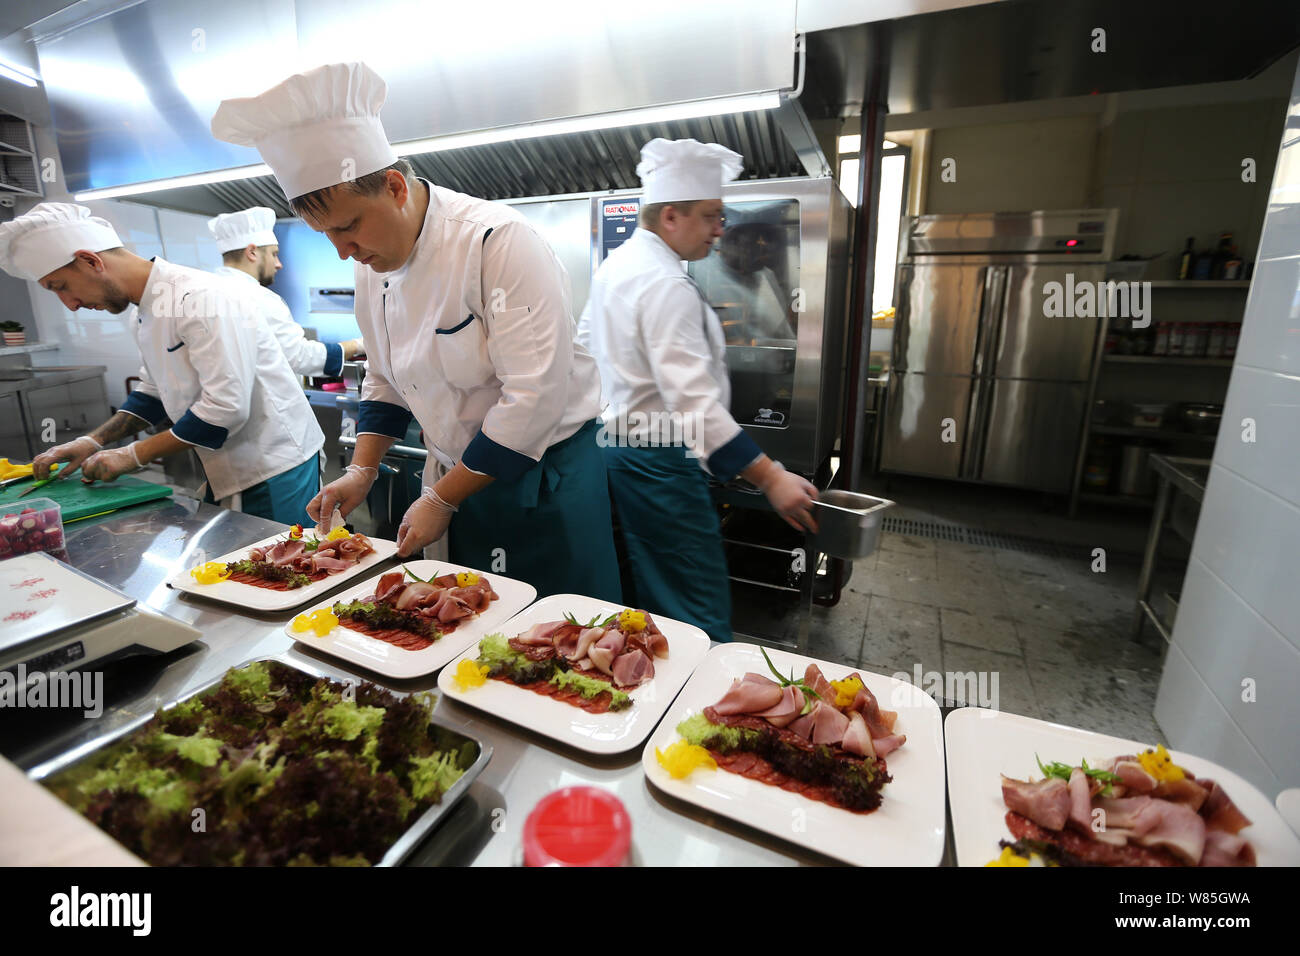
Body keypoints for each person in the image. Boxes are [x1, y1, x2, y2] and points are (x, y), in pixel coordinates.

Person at [211, 62, 620, 600]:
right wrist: (362, 470)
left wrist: (441, 499)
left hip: (545, 479)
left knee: (562, 635)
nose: (342, 250)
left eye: (347, 226)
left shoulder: (496, 243)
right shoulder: (371, 262)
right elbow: (384, 375)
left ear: (396, 187)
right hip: (459, 477)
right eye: (325, 234)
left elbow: (532, 401)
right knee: (470, 627)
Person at [577, 138, 818, 643]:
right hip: (661, 463)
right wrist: (771, 477)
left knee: (652, 600)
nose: (720, 228)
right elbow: (692, 405)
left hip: (617, 453)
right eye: (710, 216)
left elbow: (584, 350)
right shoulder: (664, 283)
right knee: (695, 608)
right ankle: (697, 709)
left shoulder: (617, 268)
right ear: (670, 217)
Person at [0, 202, 324, 523]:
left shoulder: (201, 297)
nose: (69, 305)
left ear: (90, 261)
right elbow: (152, 392)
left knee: (283, 566)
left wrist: (133, 455)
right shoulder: (143, 312)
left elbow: (226, 409)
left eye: (61, 286)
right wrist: (92, 440)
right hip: (231, 463)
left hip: (272, 466)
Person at [208, 206, 364, 377]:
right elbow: (301, 357)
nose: (278, 264)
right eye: (274, 254)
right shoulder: (259, 298)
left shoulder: (206, 293)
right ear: (252, 252)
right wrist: (358, 345)